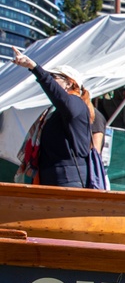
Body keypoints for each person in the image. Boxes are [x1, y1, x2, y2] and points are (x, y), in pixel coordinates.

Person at [11, 48, 97, 188]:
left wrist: (35, 68)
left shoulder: (76, 102)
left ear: (69, 83)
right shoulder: (55, 111)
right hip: (52, 177)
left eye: (54, 77)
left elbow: (61, 99)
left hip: (67, 179)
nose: (50, 80)